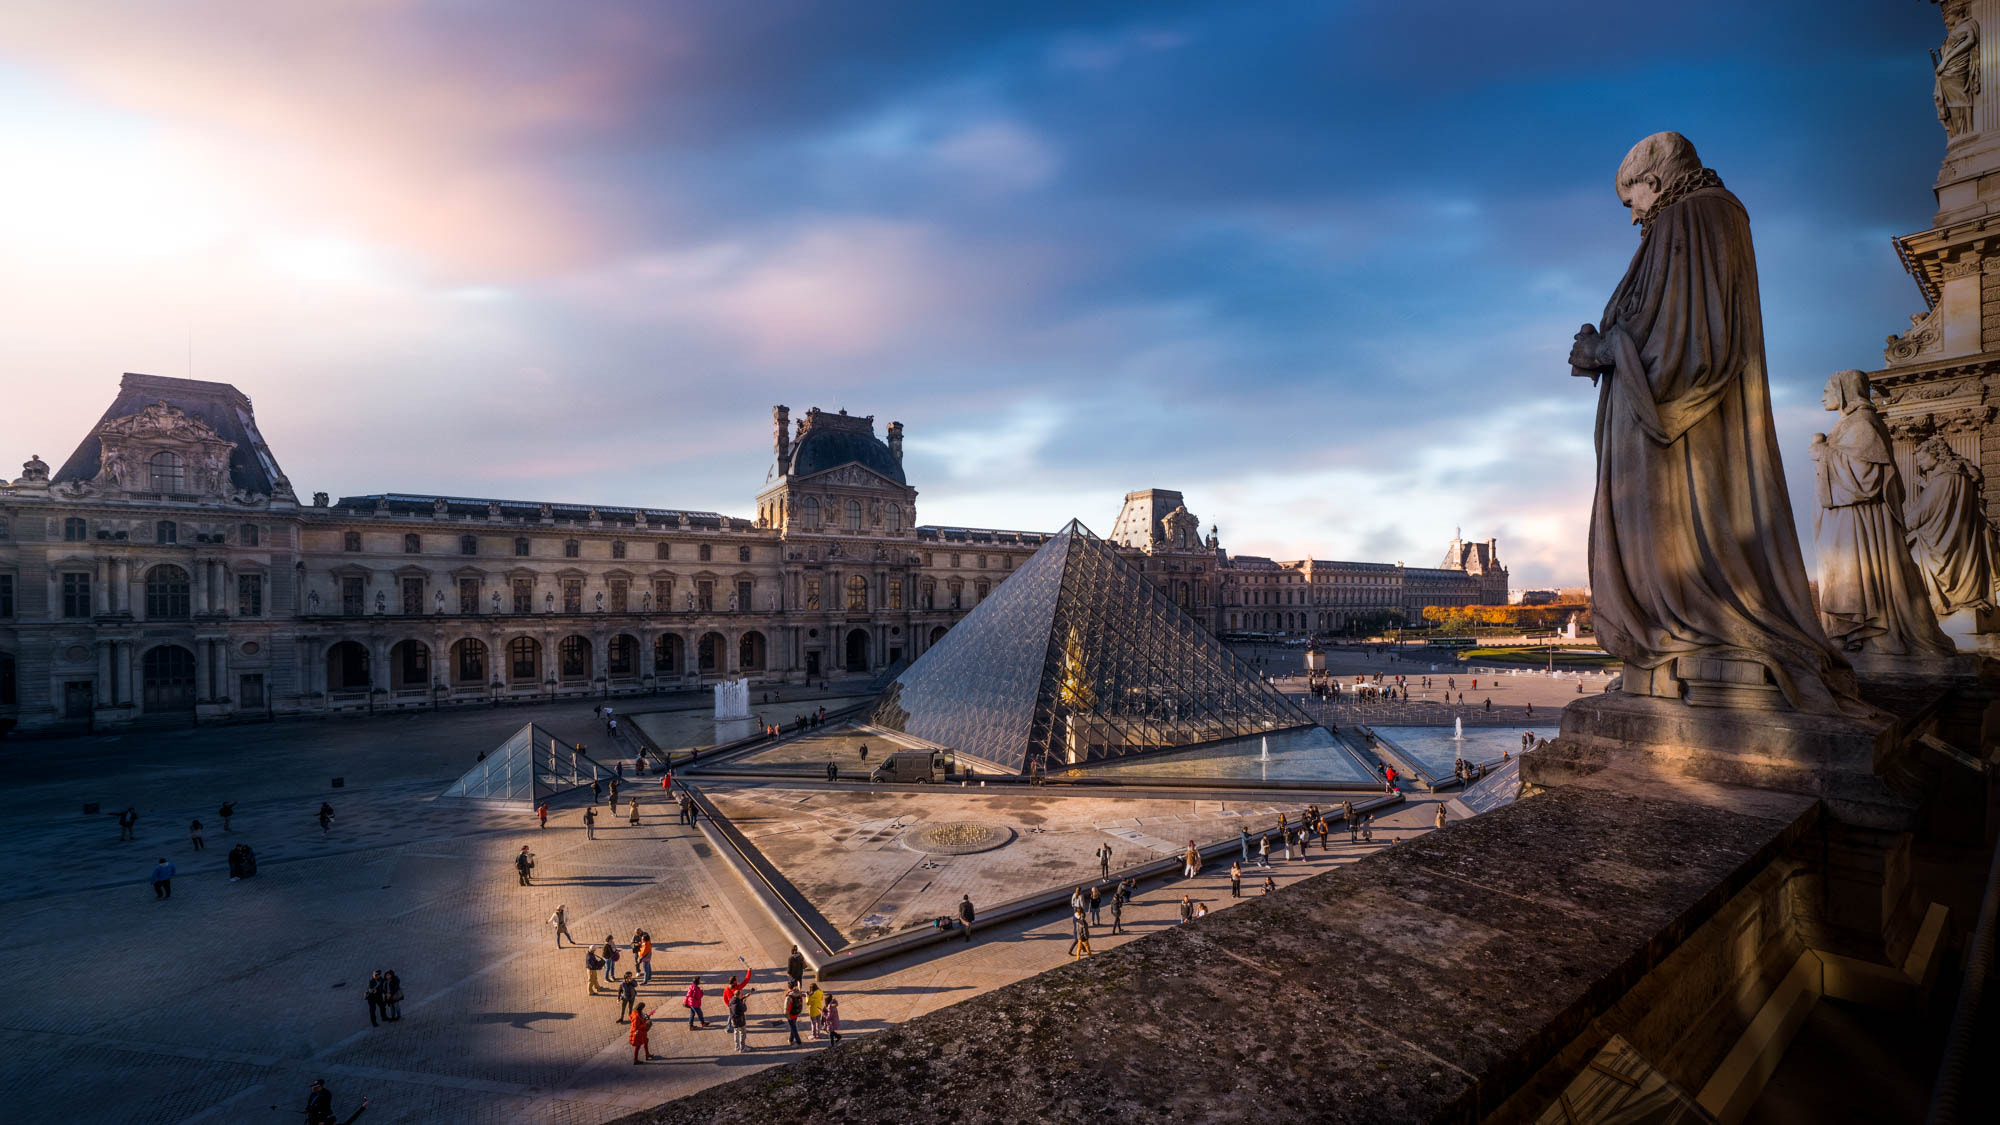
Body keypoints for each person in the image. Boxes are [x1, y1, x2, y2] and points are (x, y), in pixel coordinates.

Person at [728, 983, 751, 1052]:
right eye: (741, 994)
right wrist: (744, 1003)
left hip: (734, 1021)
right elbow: (744, 1009)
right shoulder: (738, 1005)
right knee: (742, 1034)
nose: (742, 994)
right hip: (740, 1021)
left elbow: (738, 1000)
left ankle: (737, 1047)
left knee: (736, 1033)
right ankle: (742, 1048)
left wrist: (744, 997)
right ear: (738, 995)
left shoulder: (732, 1000)